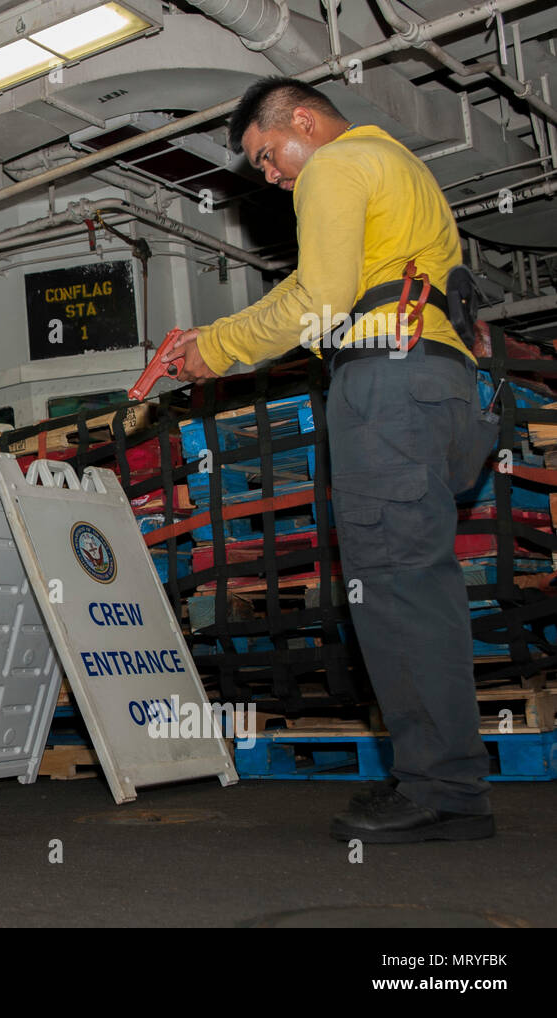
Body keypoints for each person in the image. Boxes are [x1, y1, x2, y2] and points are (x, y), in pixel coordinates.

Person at [160, 77, 496, 843]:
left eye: (269, 154)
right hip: (445, 388)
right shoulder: (406, 172)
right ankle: (449, 781)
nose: (272, 176)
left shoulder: (337, 165)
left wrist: (213, 348)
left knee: (395, 591)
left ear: (303, 121)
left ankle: (440, 792)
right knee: (423, 589)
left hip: (389, 386)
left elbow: (321, 297)